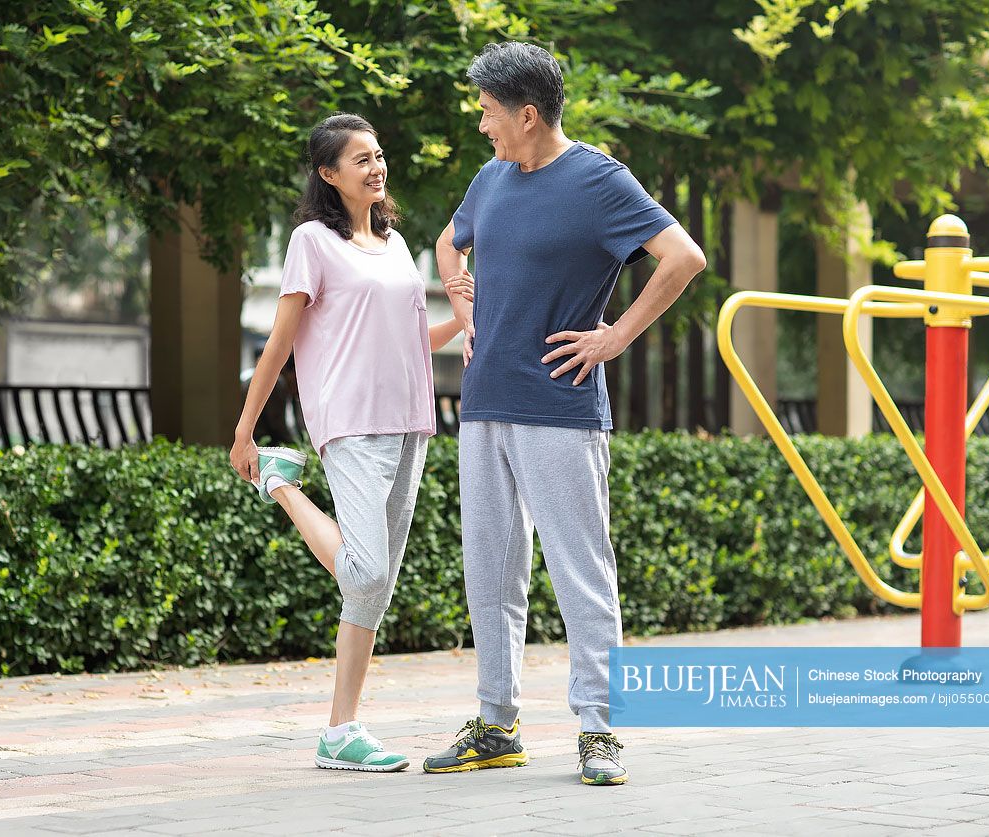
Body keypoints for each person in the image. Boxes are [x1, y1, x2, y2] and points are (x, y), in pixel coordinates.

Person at [422, 42, 706, 785]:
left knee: (581, 570)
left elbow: (682, 257)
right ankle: (495, 722)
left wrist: (615, 335)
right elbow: (447, 243)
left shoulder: (598, 179)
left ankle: (599, 729)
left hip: (558, 403)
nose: (481, 126)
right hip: (484, 403)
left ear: (525, 113)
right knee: (489, 568)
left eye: (487, 113)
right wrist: (460, 300)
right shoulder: (491, 178)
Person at [230, 113, 473, 773]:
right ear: (328, 173)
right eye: (359, 159)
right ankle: (279, 481)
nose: (375, 167)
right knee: (364, 568)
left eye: (378, 155)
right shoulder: (312, 240)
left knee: (372, 587)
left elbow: (407, 340)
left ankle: (340, 732)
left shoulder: (394, 244)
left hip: (408, 420)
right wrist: (245, 428)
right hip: (349, 420)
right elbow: (280, 342)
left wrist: (463, 322)